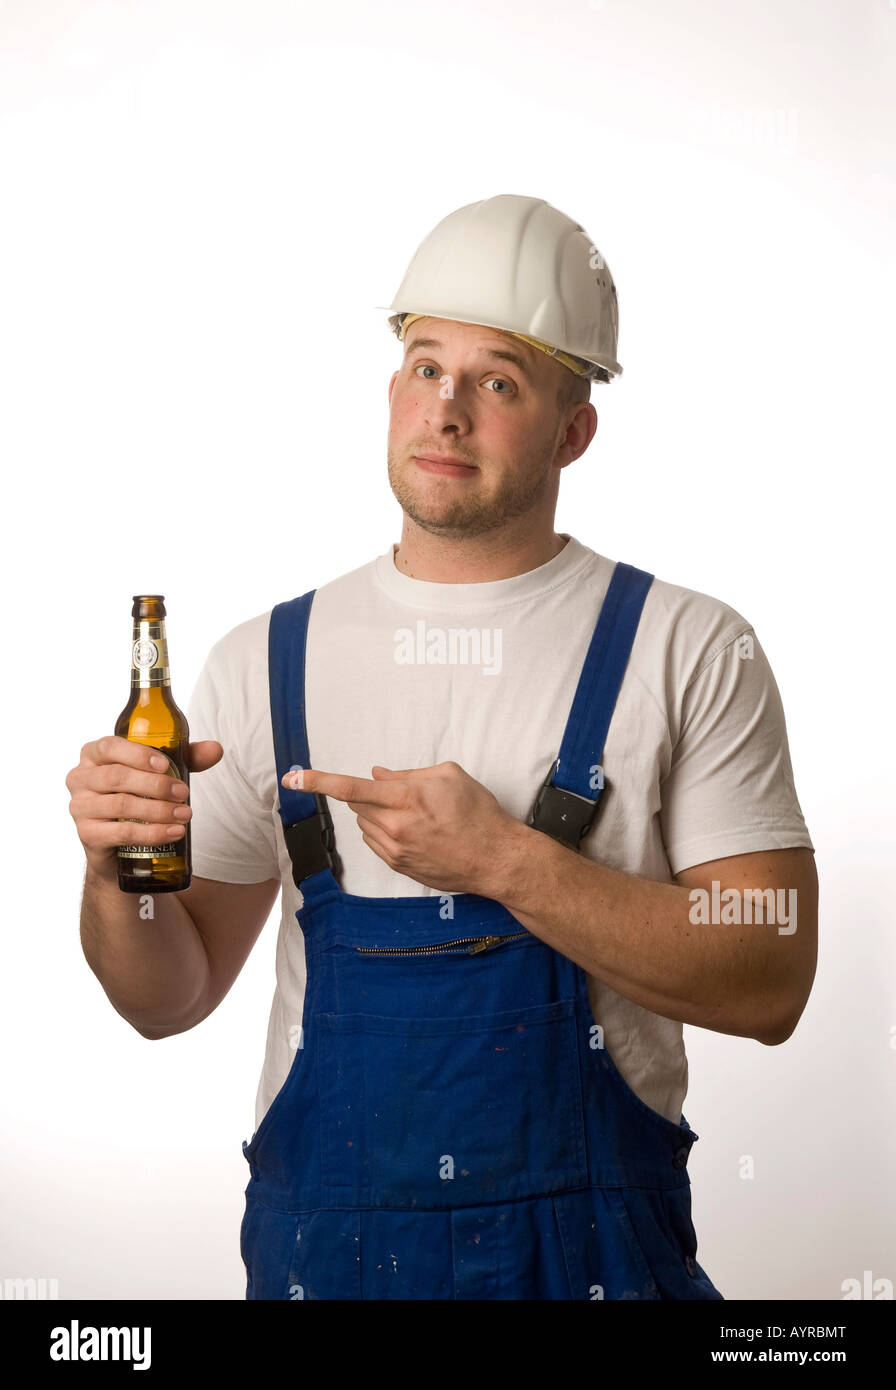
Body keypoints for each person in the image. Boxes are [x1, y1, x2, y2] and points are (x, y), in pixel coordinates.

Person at [68, 194, 817, 1301]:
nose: (447, 411)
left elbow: (769, 974)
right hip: (327, 1264)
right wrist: (114, 873)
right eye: (424, 366)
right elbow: (164, 999)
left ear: (573, 431)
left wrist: (508, 863)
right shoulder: (263, 660)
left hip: (597, 1266)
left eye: (498, 379)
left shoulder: (685, 645)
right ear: (388, 389)